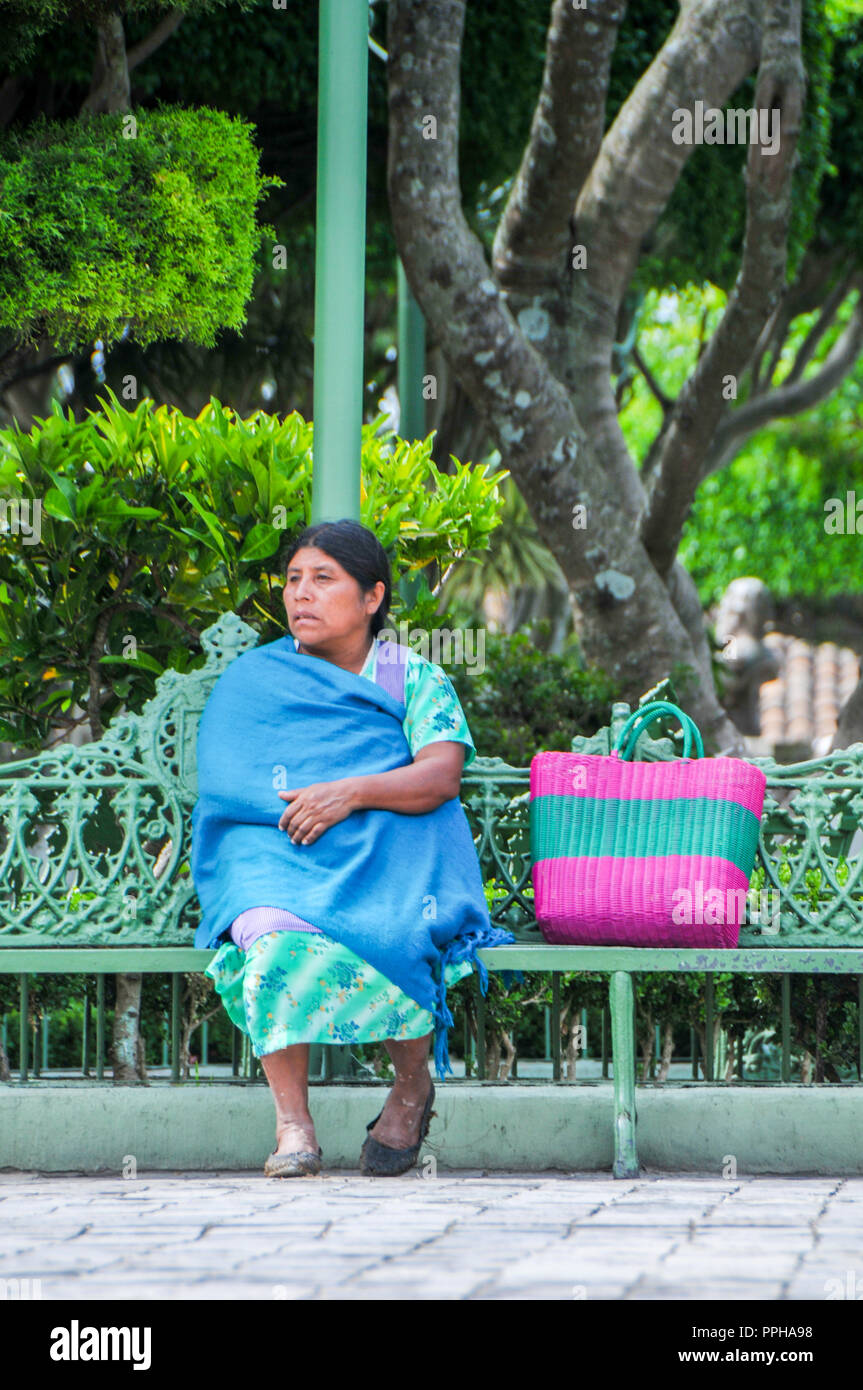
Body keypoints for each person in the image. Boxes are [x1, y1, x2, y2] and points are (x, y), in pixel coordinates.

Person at [191, 519, 513, 1177]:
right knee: (274, 939)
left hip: (388, 864)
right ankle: (293, 1126)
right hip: (275, 860)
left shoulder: (410, 677)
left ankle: (410, 1089)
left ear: (371, 597)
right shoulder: (255, 680)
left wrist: (350, 793)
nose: (300, 595)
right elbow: (232, 786)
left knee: (400, 930)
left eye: (323, 579)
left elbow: (440, 774)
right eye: (292, 580)